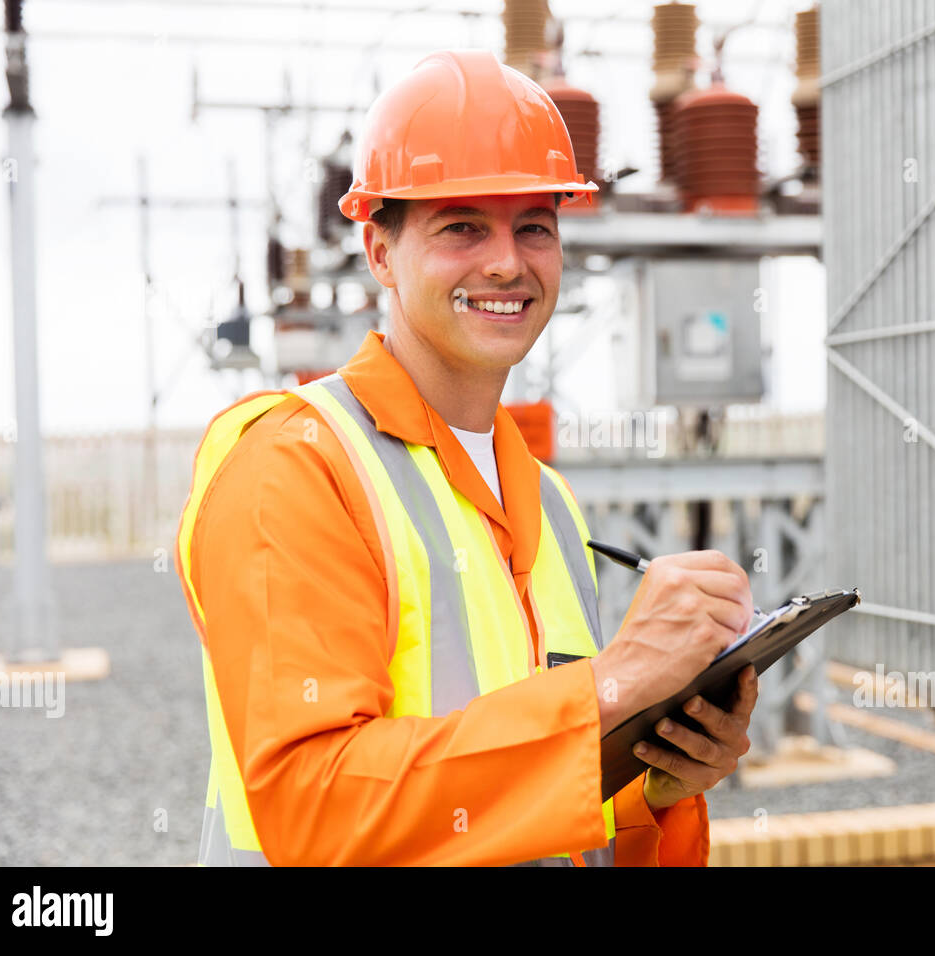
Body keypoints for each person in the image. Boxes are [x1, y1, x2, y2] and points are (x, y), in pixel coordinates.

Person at [174, 48, 759, 867]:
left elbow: (540, 788)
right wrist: (613, 686)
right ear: (380, 252)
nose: (506, 263)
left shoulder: (547, 501)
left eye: (534, 228)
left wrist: (657, 776)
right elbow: (312, 807)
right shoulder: (296, 467)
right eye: (461, 227)